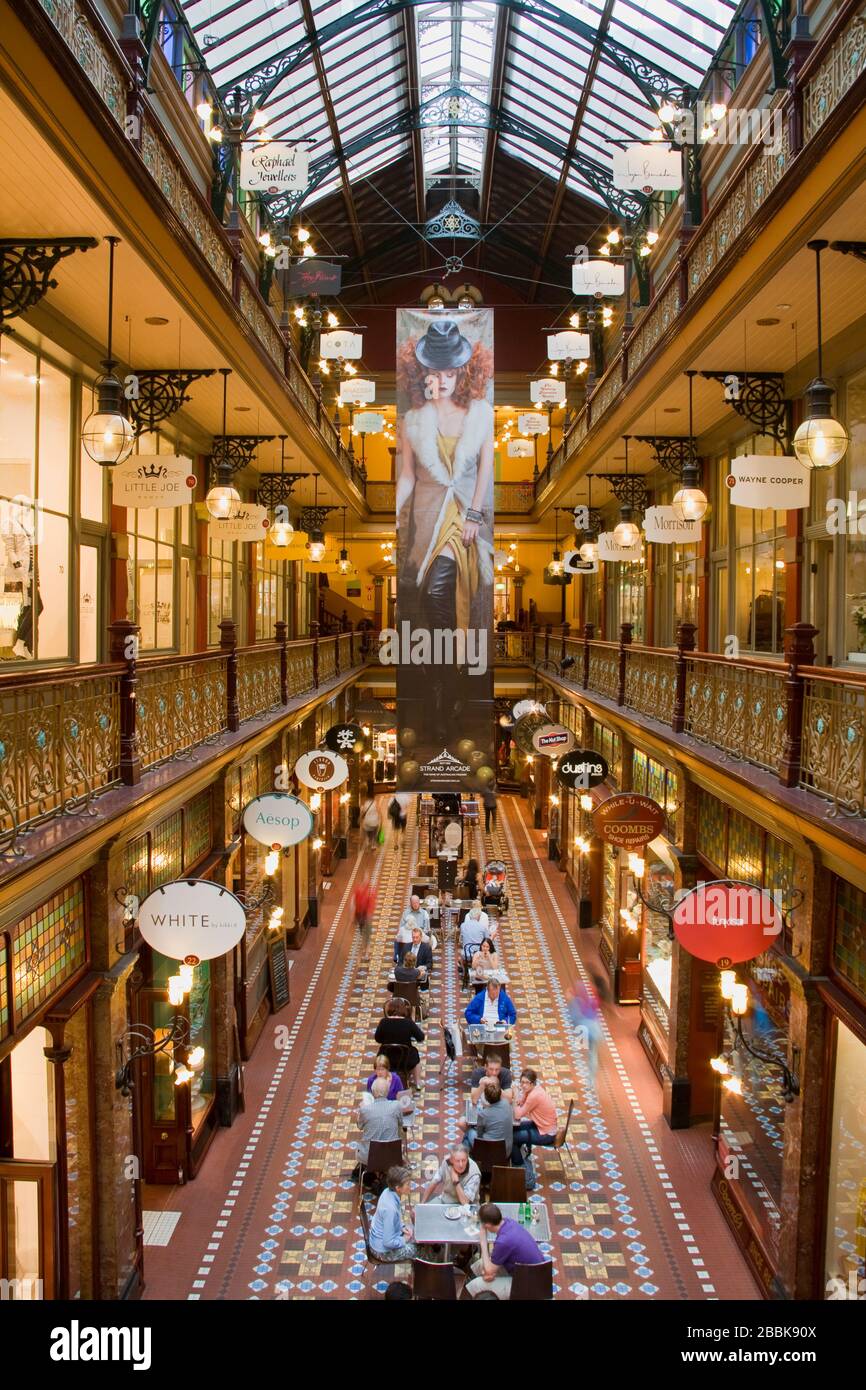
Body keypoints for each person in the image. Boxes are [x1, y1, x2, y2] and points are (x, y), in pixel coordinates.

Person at [396, 320, 495, 747]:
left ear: (463, 372)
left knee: (438, 594)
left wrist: (474, 514)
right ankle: (446, 690)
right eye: (436, 373)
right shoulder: (413, 421)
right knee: (430, 606)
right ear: (424, 375)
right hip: (427, 517)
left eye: (451, 373)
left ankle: (444, 691)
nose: (443, 380)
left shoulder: (481, 414)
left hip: (461, 520)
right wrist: (396, 512)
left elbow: (486, 469)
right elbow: (407, 475)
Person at [465, 1202, 546, 1300]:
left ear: (487, 1225)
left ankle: (472, 1294)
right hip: (532, 1273)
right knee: (479, 1264)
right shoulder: (509, 1222)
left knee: (476, 1285)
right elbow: (491, 1268)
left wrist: (483, 1241)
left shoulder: (503, 1241)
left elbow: (489, 1270)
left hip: (530, 1286)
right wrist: (488, 1273)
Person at [510, 1069, 558, 1182]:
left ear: (533, 1083)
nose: (523, 1085)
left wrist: (516, 1095)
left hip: (546, 1133)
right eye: (522, 1082)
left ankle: (519, 1166)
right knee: (513, 1128)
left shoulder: (534, 1096)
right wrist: (520, 1097)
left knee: (511, 1138)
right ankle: (520, 1153)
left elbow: (517, 1115)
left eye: (527, 1083)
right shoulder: (533, 1090)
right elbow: (521, 1102)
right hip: (540, 1125)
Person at [352, 1076, 408, 1168]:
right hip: (392, 1156)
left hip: (369, 1158)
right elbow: (401, 1123)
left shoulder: (365, 1109)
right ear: (387, 1091)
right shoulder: (397, 1106)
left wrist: (360, 1111)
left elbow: (360, 1126)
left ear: (373, 1092)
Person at [458, 1054, 513, 1148]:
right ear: (485, 1067)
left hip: (497, 1107)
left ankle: (472, 1146)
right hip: (480, 1106)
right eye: (491, 1069)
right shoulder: (477, 1073)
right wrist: (482, 1085)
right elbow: (474, 1100)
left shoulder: (506, 1073)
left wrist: (495, 1085)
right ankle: (471, 1145)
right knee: (461, 1123)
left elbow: (509, 1099)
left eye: (497, 1069)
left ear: (500, 1068)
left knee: (472, 1134)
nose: (494, 1073)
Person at [368, 1165, 417, 1263]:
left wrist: (402, 1227)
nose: (410, 1186)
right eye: (407, 1184)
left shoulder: (387, 1192)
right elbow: (388, 1242)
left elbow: (394, 1221)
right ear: (398, 1188)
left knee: (415, 1233)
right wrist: (403, 1240)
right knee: (418, 1250)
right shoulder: (390, 1210)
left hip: (382, 1238)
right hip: (382, 1251)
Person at [374, 997, 425, 1086]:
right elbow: (421, 1038)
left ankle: (380, 1081)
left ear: (389, 1009)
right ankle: (417, 1082)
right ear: (404, 1009)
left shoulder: (383, 1022)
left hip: (387, 1058)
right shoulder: (408, 1023)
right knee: (415, 1053)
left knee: (379, 1054)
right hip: (405, 1059)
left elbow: (377, 1039)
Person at [566, 976, 606, 1090]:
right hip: (595, 1030)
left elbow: (573, 1018)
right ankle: (591, 1081)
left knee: (587, 1052)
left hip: (585, 1030)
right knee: (592, 1054)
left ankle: (590, 1081)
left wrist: (570, 999)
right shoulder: (592, 1000)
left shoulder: (577, 1001)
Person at [474, 1082, 514, 1158]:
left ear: (486, 1098)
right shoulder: (507, 1104)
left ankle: (472, 1159)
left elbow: (479, 1134)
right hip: (506, 1151)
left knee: (470, 1133)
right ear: (500, 1094)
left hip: (489, 1152)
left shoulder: (483, 1114)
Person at [394, 894, 430, 963]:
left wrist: (420, 933)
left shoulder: (424, 913)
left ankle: (425, 959)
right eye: (414, 903)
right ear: (410, 903)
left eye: (417, 902)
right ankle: (397, 958)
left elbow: (427, 928)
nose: (416, 904)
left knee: (426, 939)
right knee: (397, 939)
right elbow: (401, 926)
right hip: (408, 933)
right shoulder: (406, 912)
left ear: (419, 902)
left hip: (419, 934)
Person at [353, 878, 377, 958]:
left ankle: (366, 951)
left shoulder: (361, 891)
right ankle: (366, 950)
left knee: (366, 933)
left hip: (363, 916)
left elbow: (353, 902)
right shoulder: (367, 892)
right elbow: (354, 902)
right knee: (365, 933)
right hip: (363, 916)